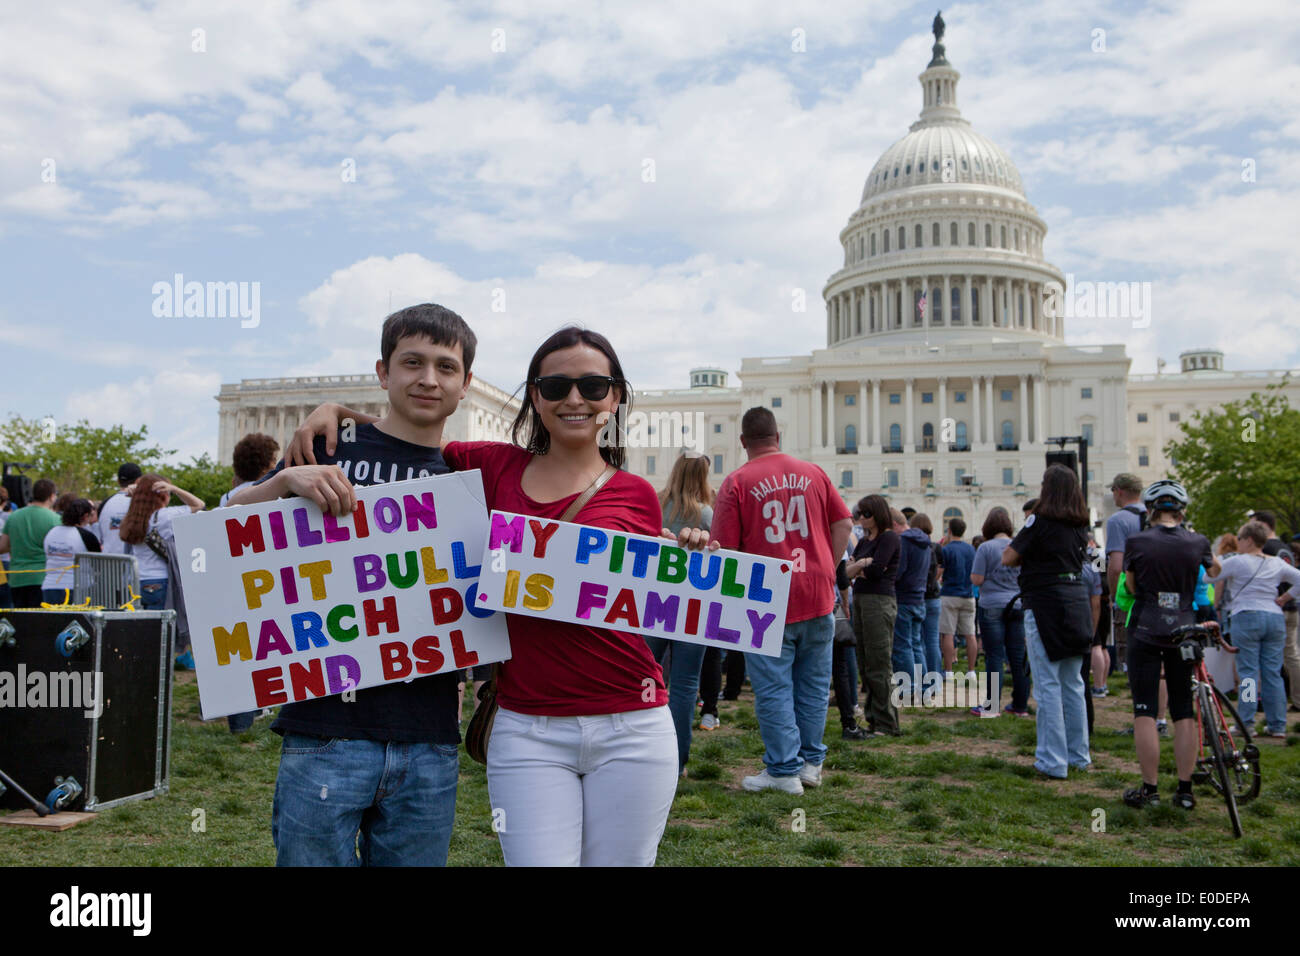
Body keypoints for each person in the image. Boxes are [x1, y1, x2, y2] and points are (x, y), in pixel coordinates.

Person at [292, 325, 708, 865]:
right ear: (535, 396)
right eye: (556, 386)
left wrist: (694, 556)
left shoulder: (637, 495)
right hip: (527, 726)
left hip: (634, 721)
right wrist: (338, 412)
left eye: (593, 385)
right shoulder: (490, 465)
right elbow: (409, 437)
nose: (575, 399)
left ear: (616, 396)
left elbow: (649, 593)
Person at [232, 302, 476, 866]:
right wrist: (284, 481)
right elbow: (217, 532)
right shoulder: (327, 451)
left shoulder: (469, 475)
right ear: (382, 372)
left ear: (465, 385)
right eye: (412, 362)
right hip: (323, 731)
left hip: (429, 737)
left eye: (445, 367)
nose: (428, 379)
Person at [712, 406, 852, 793]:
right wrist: (828, 563)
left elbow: (723, 549)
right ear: (778, 437)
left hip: (767, 599)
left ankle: (783, 770)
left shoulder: (737, 481)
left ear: (743, 442)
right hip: (818, 592)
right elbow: (843, 522)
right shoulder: (813, 472)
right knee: (813, 685)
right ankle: (811, 764)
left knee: (774, 688)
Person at [1120, 480, 1219, 808]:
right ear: (1182, 511)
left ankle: (1149, 790)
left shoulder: (1137, 541)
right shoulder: (1197, 542)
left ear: (1150, 510)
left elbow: (1131, 588)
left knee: (1145, 710)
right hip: (1184, 627)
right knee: (1183, 711)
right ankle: (1185, 790)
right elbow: (1214, 571)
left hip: (1146, 627)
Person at [1003, 465, 1093, 779]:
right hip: (1076, 599)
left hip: (1044, 602)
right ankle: (1078, 755)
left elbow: (1009, 556)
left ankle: (1051, 761)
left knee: (1047, 684)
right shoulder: (1081, 523)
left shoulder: (1039, 521)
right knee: (1074, 683)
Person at [643, 451, 715, 768]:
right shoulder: (706, 515)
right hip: (692, 610)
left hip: (652, 604)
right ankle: (678, 760)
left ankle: (636, 748)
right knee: (685, 685)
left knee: (642, 675)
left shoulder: (654, 505)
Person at [1208, 520, 1300, 738]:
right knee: (1273, 673)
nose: (1238, 542)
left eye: (1240, 539)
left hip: (1246, 617)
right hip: (1274, 618)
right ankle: (1277, 725)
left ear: (1248, 540)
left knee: (1248, 673)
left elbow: (1208, 577)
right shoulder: (1277, 563)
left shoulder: (1237, 562)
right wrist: (1285, 597)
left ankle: (1246, 722)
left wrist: (1215, 560)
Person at [219, 433, 282, 728]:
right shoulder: (268, 492)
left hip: (233, 579)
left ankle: (242, 715)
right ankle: (252, 711)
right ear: (269, 462)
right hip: (261, 579)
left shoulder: (227, 497)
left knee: (242, 651)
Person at [848, 494, 901, 736]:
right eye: (859, 514)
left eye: (865, 514)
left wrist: (859, 567)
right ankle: (874, 720)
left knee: (879, 662)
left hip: (878, 601)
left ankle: (886, 723)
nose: (860, 518)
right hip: (862, 599)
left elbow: (878, 571)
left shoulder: (889, 537)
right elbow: (846, 573)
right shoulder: (864, 541)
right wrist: (861, 566)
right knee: (866, 662)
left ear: (876, 514)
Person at [969, 507, 1028, 717]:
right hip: (1018, 604)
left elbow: (976, 579)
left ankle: (992, 705)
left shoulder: (985, 548)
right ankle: (1020, 705)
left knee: (994, 656)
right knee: (1018, 656)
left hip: (992, 604)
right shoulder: (1019, 546)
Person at [118, 475, 205, 611]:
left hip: (133, 581)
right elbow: (199, 505)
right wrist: (176, 489)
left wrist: (139, 493)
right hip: (158, 580)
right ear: (163, 494)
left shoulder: (132, 516)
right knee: (159, 628)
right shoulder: (164, 516)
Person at [1254, 510, 1300, 712]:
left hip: (1268, 611)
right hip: (1288, 609)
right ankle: (1287, 705)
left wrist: (1281, 598)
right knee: (1290, 656)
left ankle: (1254, 703)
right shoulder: (1284, 547)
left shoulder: (1264, 549)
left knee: (1255, 663)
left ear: (1264, 526)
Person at [1105, 473, 1146, 671]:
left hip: (1129, 595)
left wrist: (1114, 596)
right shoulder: (1153, 516)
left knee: (1133, 654)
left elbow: (1115, 566)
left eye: (1113, 491)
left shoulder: (1118, 520)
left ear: (1119, 491)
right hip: (1155, 592)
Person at [0, 478, 60, 608]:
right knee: (40, 624)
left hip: (17, 578)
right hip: (43, 578)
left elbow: (3, 546)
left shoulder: (14, 516)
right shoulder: (55, 519)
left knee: (20, 624)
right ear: (51, 496)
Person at [892, 508, 931, 698]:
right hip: (919, 598)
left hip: (904, 598)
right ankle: (924, 687)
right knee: (916, 644)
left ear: (894, 525)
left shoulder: (904, 541)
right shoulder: (926, 542)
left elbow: (899, 571)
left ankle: (908, 689)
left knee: (903, 645)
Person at [40, 499, 101, 604]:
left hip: (50, 585)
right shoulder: (86, 535)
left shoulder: (51, 532)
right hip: (78, 586)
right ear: (85, 516)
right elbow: (98, 562)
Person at [939, 516, 977, 674]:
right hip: (968, 594)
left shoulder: (946, 550)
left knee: (948, 633)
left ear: (949, 530)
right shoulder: (971, 549)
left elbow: (940, 572)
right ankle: (971, 671)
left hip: (949, 594)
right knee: (970, 634)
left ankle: (948, 670)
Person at [912, 513, 944, 676]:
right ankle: (936, 678)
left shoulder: (914, 547)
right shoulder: (935, 547)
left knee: (918, 640)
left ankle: (922, 677)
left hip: (919, 597)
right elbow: (939, 570)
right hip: (934, 596)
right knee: (933, 641)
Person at [98, 463, 143, 553]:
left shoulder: (105, 503)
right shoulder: (143, 503)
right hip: (135, 563)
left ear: (118, 481)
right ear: (139, 480)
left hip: (108, 561)